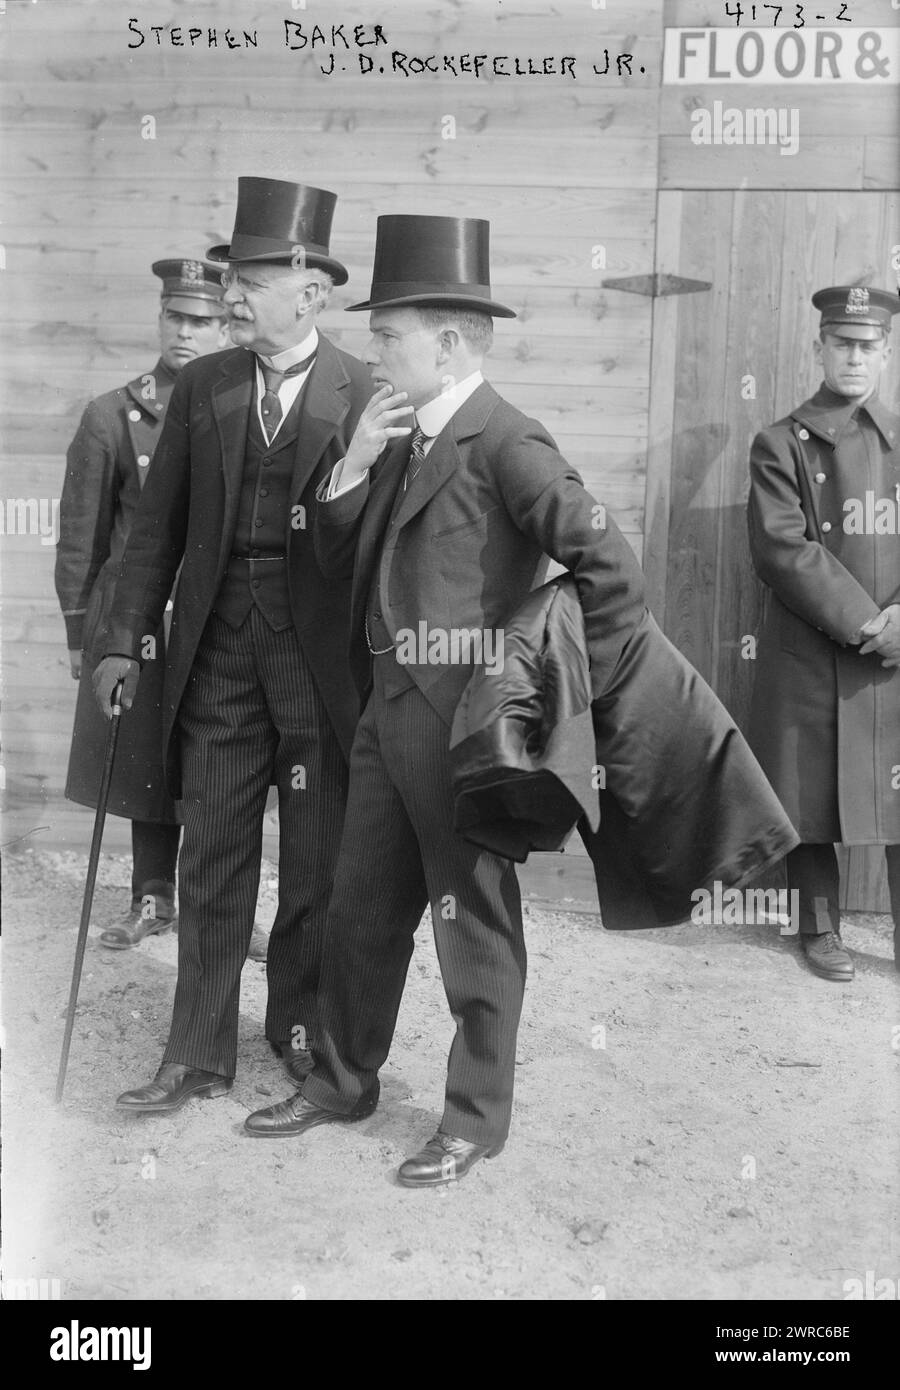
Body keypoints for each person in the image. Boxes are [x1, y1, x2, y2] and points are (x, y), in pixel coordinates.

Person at [242, 215, 795, 1185]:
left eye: (390, 336)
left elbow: (609, 569)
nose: (374, 353)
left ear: (450, 343)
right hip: (383, 720)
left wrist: (543, 679)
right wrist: (354, 468)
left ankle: (473, 1118)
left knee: (474, 927)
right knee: (358, 913)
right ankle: (341, 1080)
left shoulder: (508, 440)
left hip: (465, 734)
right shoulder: (397, 434)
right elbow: (331, 565)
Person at [92, 178, 372, 1112]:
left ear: (312, 291)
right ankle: (195, 1051)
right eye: (231, 279)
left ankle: (298, 1031)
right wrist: (121, 642)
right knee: (211, 844)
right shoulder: (204, 385)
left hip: (317, 665)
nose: (234, 297)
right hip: (214, 652)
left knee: (317, 856)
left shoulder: (364, 390)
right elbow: (152, 532)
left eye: (252, 280)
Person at [55, 258, 238, 950]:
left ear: (226, 326)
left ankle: (215, 905)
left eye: (203, 320)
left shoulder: (235, 406)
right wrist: (84, 635)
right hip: (140, 623)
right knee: (143, 761)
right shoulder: (111, 415)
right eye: (175, 317)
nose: (186, 333)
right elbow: (82, 539)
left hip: (216, 618)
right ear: (160, 319)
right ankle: (152, 897)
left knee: (219, 763)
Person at [747, 284, 900, 981]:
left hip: (896, 654)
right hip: (815, 646)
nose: (855, 358)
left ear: (888, 353)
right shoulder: (779, 442)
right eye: (843, 343)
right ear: (820, 348)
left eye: (869, 346)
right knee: (807, 792)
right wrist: (865, 622)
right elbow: (783, 548)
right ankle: (817, 928)